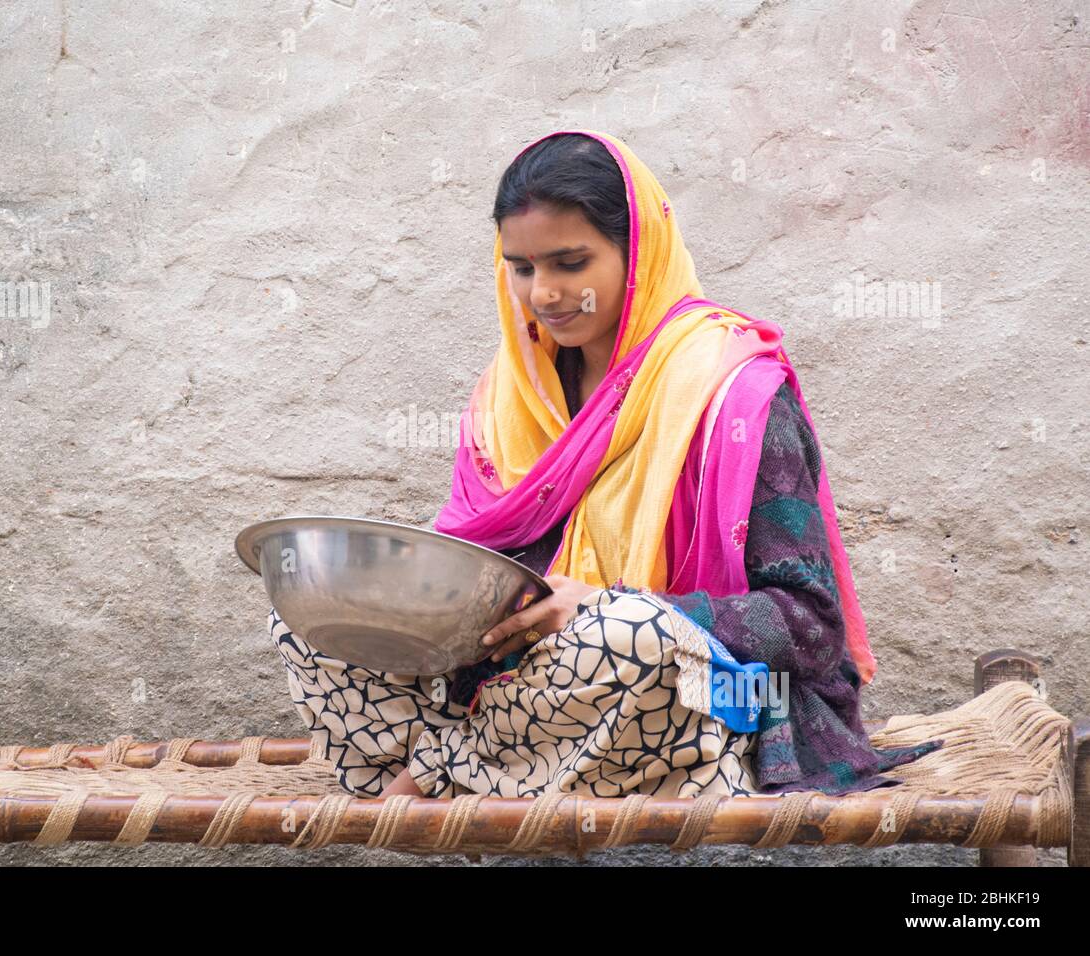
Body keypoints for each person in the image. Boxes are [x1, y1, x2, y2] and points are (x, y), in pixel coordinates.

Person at [269, 129, 940, 801]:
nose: (544, 293)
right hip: (526, 700)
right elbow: (481, 573)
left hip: (703, 707)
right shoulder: (510, 398)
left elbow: (810, 629)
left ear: (637, 252)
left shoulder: (730, 392)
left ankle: (445, 773)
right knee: (314, 611)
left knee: (628, 635)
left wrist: (610, 606)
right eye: (523, 267)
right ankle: (469, 764)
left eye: (570, 262)